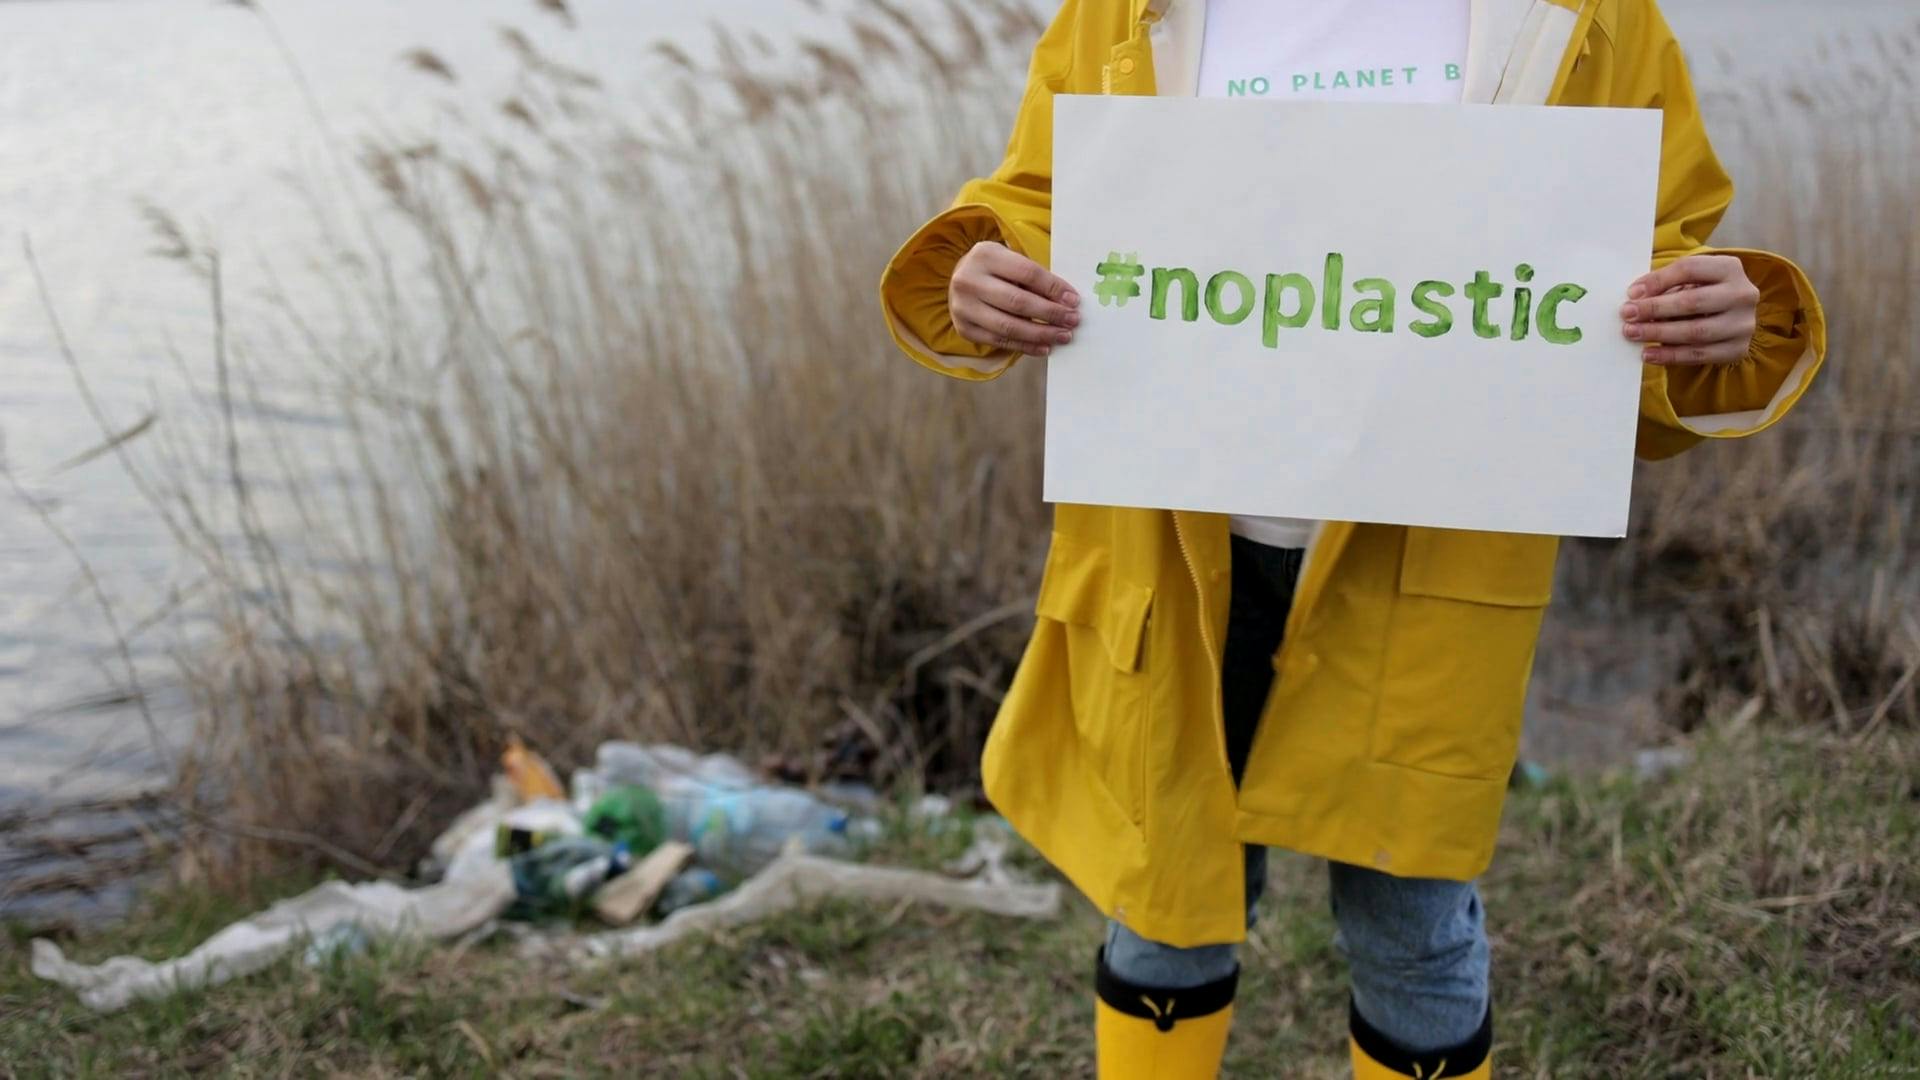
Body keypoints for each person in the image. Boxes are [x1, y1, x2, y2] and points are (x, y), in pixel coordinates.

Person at [877, 1, 1827, 1076]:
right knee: (1163, 898)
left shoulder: (1589, 17)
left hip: (1431, 570)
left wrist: (1708, 325)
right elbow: (1047, 201)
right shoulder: (1125, 8)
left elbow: (1645, 266)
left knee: (1411, 924)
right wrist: (989, 272)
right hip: (1171, 556)